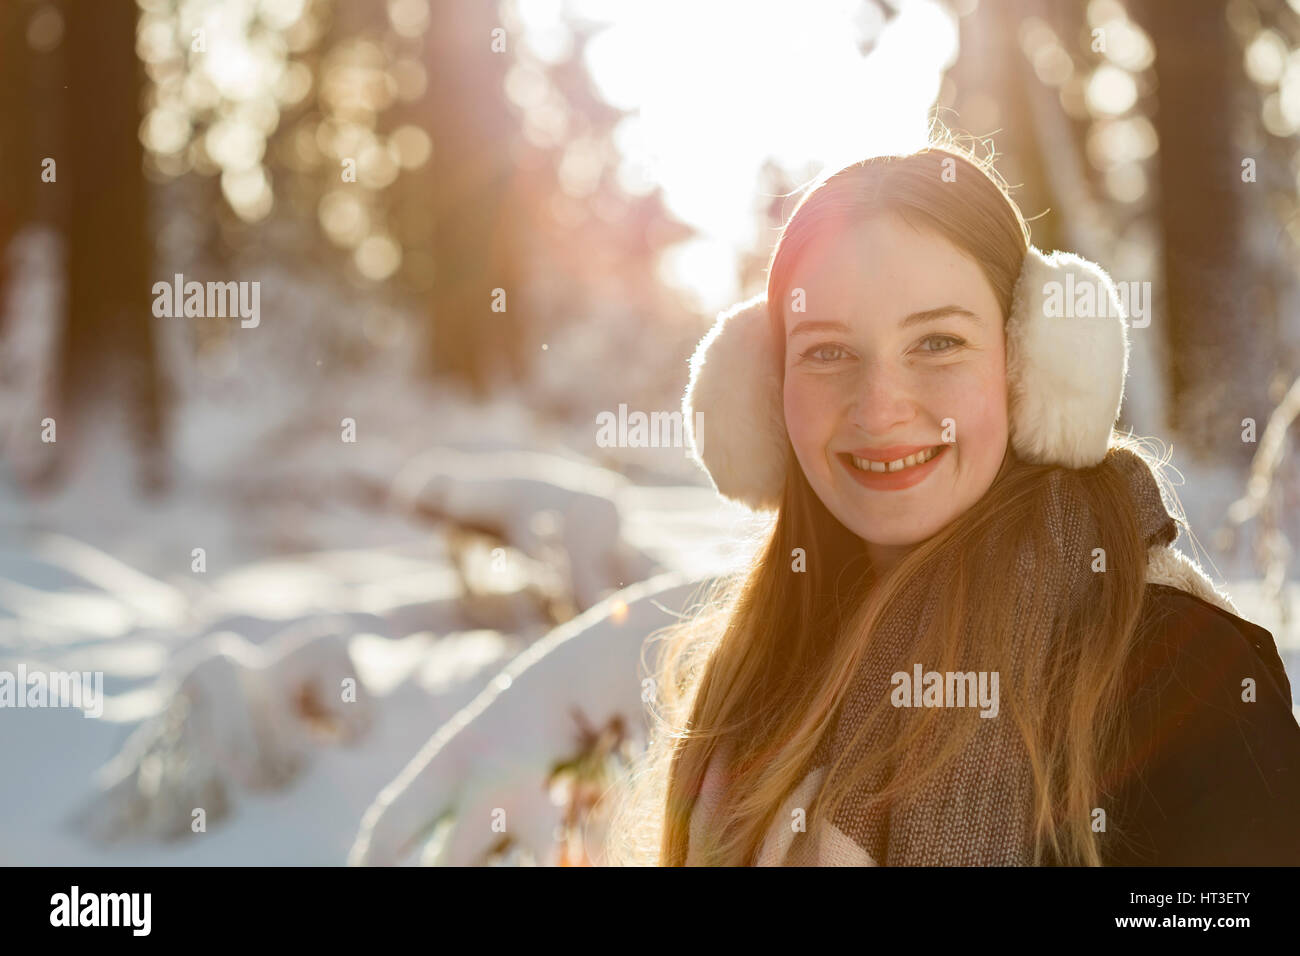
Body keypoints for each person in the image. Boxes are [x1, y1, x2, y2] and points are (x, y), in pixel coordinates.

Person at [603, 138, 1300, 866]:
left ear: (1031, 363)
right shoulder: (761, 670)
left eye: (938, 341)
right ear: (766, 394)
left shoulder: (1176, 675)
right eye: (827, 351)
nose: (878, 408)